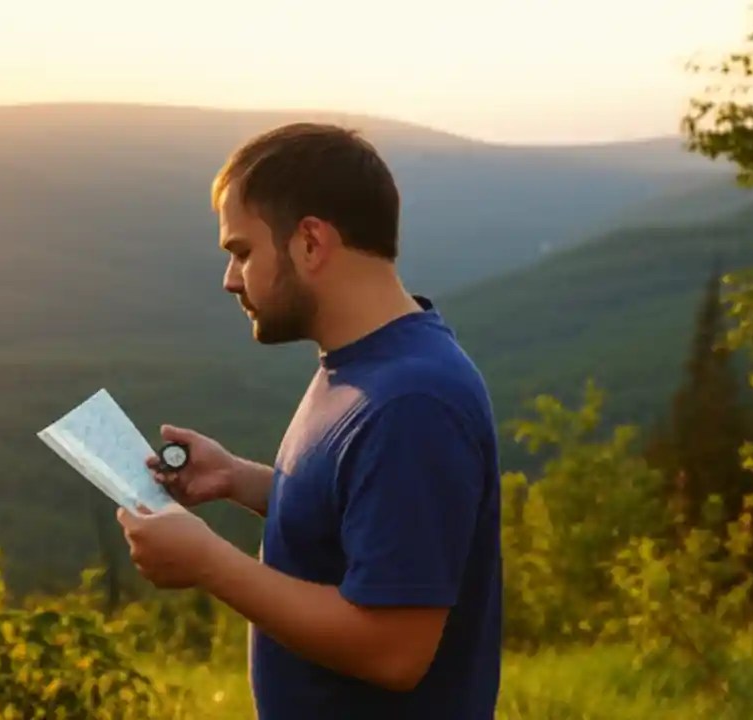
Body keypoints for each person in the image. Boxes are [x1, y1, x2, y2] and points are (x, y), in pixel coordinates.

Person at [116, 122, 503, 718]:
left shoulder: (412, 402)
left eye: (242, 252)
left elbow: (392, 649)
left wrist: (209, 562)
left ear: (311, 243)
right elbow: (368, 516)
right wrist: (239, 480)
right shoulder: (366, 365)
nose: (229, 279)